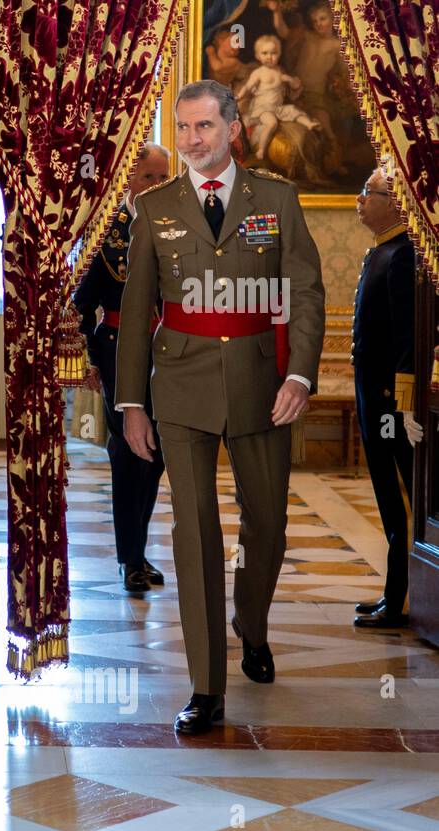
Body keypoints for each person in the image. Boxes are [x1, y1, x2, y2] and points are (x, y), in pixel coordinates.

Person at [115, 80, 326, 734]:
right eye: (183, 128)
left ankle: (252, 623)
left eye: (204, 127)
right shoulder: (155, 208)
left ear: (232, 128)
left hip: (263, 385)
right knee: (195, 531)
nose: (192, 140)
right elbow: (134, 312)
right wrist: (131, 402)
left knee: (267, 523)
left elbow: (308, 293)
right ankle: (206, 687)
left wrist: (300, 375)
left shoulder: (278, 201)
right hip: (180, 385)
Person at [74, 142, 171, 593]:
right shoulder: (106, 234)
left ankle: (138, 551)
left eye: (163, 177)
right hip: (117, 355)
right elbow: (82, 304)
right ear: (129, 179)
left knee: (157, 458)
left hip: (171, 356)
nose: (156, 185)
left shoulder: (178, 228)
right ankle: (129, 558)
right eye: (148, 176)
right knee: (128, 456)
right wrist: (88, 359)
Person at [350, 169, 419, 631]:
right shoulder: (382, 250)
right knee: (386, 496)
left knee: (400, 497)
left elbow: (406, 338)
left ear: (394, 202)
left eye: (367, 193)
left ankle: (405, 601)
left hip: (389, 402)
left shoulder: (402, 255)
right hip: (373, 396)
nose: (359, 200)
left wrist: (400, 402)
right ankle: (393, 594)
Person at [238, 35, 320, 162]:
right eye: (264, 53)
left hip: (277, 107)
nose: (269, 57)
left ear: (279, 54)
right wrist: (239, 96)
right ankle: (261, 149)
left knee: (293, 110)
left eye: (273, 53)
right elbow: (247, 87)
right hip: (262, 109)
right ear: (257, 56)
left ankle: (309, 124)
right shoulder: (258, 72)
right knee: (272, 123)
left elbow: (296, 86)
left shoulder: (280, 72)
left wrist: (289, 79)